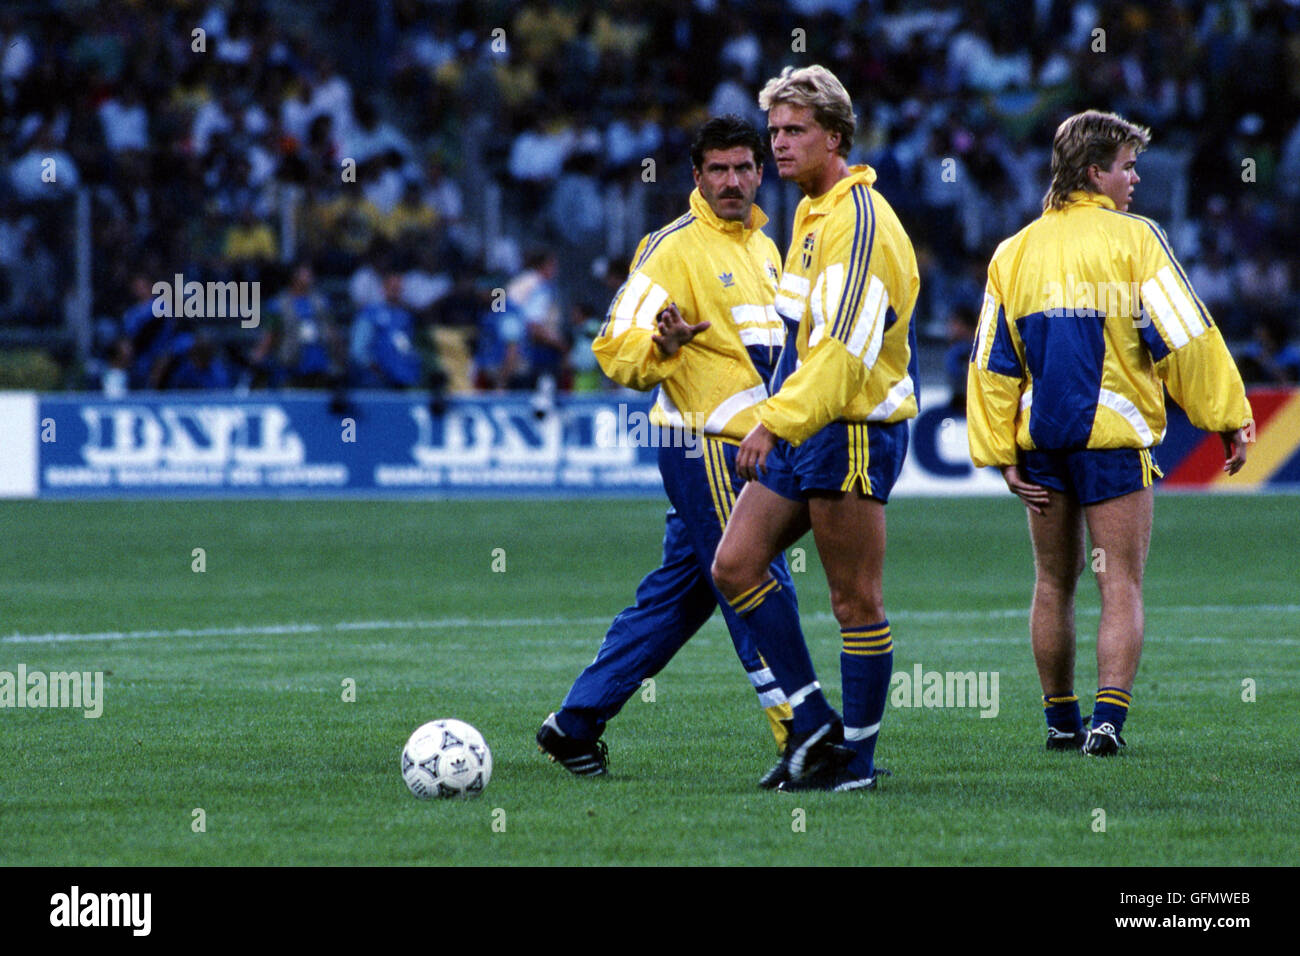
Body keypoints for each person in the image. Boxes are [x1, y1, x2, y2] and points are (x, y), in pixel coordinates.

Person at [965, 110, 1253, 756]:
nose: (1136, 177)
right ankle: (1106, 722)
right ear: (1095, 172)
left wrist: (996, 452)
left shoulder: (1013, 253)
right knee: (1118, 582)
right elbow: (1186, 337)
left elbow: (990, 362)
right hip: (1113, 439)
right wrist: (1228, 414)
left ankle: (1060, 722)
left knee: (1052, 582)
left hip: (1041, 443)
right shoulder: (1135, 241)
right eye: (1126, 165)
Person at [536, 115, 796, 775]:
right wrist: (661, 345)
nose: (732, 181)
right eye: (718, 169)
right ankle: (802, 738)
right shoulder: (671, 248)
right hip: (707, 445)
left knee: (680, 596)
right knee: (758, 580)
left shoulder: (766, 248)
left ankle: (574, 722)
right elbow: (612, 343)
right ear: (696, 177)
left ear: (759, 172)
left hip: (751, 447)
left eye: (743, 168)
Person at [711, 65, 921, 793]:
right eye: (774, 131)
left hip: (853, 426)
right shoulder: (810, 214)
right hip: (807, 424)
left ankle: (854, 764)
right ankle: (816, 726)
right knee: (734, 565)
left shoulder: (861, 220)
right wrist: (780, 413)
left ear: (835, 136)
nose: (779, 144)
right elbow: (802, 342)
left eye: (795, 129)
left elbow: (844, 355)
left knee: (853, 601)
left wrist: (773, 419)